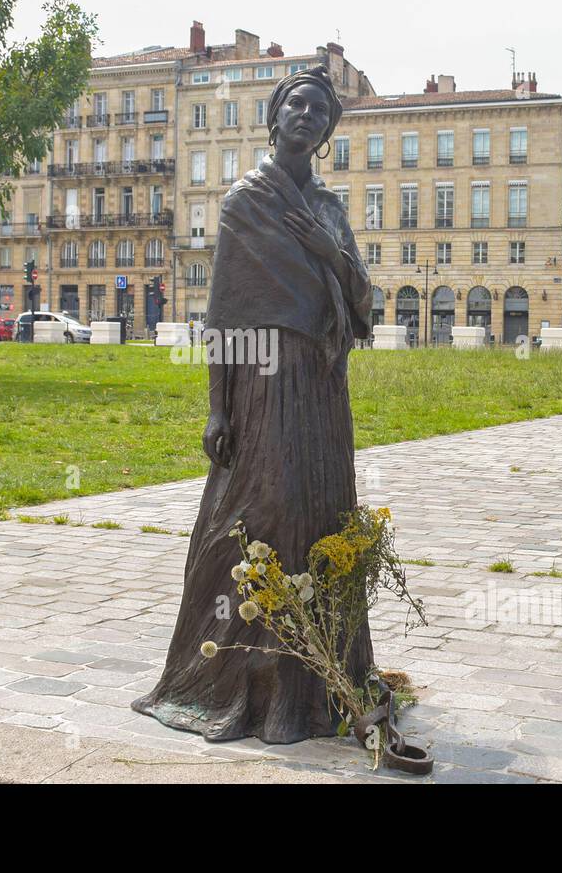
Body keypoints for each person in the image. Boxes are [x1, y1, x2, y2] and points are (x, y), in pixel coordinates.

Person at [133, 65, 373, 744]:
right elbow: (222, 313)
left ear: (327, 131)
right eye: (296, 104)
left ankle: (317, 684)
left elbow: (363, 299)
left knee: (323, 512)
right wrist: (217, 408)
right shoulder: (246, 200)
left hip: (322, 381)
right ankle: (251, 681)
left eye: (319, 110)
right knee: (268, 512)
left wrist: (331, 250)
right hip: (264, 379)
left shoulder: (329, 211)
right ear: (276, 117)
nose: (306, 115)